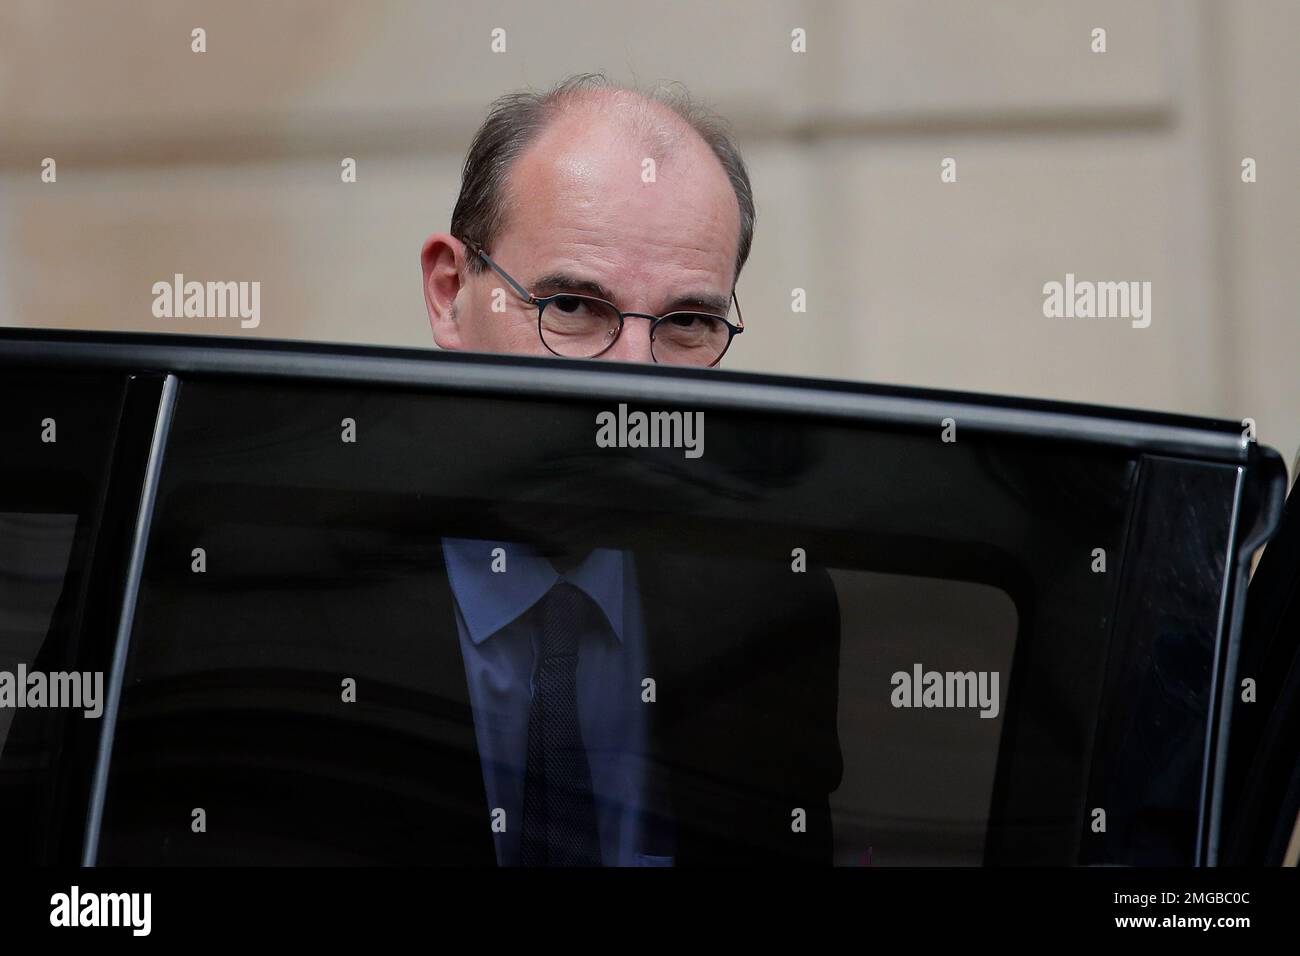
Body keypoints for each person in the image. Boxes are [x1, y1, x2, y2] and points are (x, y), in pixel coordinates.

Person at [418, 73, 842, 866]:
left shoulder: (771, 607)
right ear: (450, 293)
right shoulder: (266, 591)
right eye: (572, 309)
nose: (634, 382)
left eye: (686, 323)